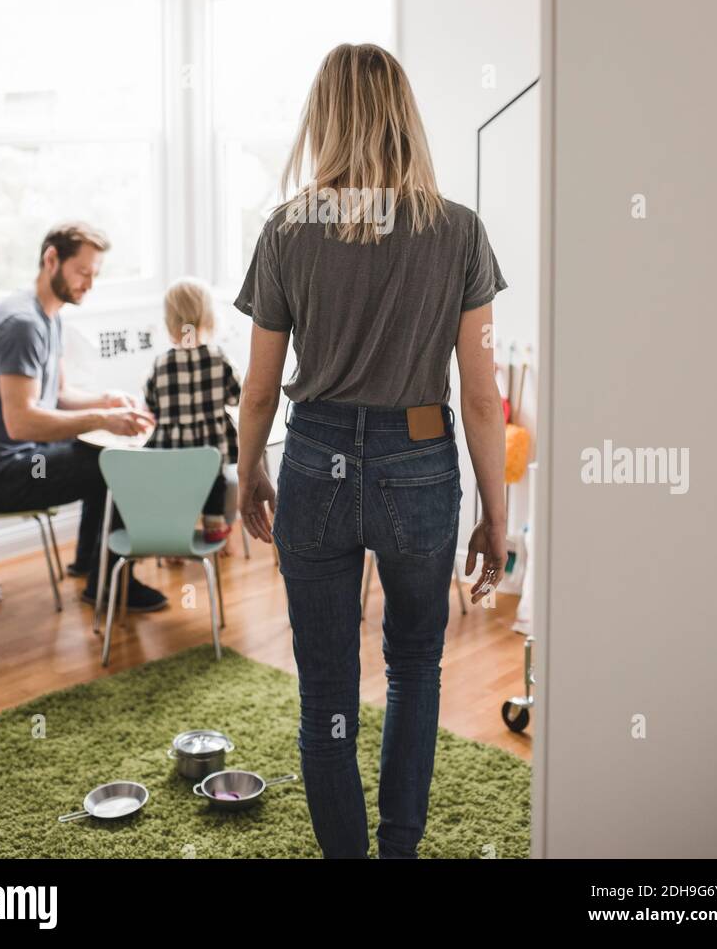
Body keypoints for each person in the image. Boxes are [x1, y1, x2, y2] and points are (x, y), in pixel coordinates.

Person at [232, 43, 508, 860]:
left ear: (326, 119)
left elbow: (257, 390)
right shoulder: (458, 230)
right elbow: (482, 394)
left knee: (324, 686)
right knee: (415, 665)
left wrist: (248, 472)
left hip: (314, 460)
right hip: (419, 462)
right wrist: (497, 516)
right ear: (404, 115)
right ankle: (397, 852)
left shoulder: (286, 230)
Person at [0, 221, 168, 612]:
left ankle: (90, 563)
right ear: (51, 259)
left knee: (99, 454)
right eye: (83, 272)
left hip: (21, 459)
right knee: (118, 463)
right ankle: (109, 582)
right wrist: (102, 421)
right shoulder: (22, 324)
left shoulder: (47, 315)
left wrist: (105, 401)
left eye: (95, 275)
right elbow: (21, 422)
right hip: (0, 474)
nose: (89, 284)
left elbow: (55, 395)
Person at [143, 277, 242, 544]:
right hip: (212, 448)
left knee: (175, 492)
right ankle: (214, 529)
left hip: (172, 450)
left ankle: (176, 538)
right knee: (215, 483)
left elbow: (151, 404)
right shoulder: (219, 358)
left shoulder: (161, 363)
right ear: (209, 317)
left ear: (169, 322)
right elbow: (236, 396)